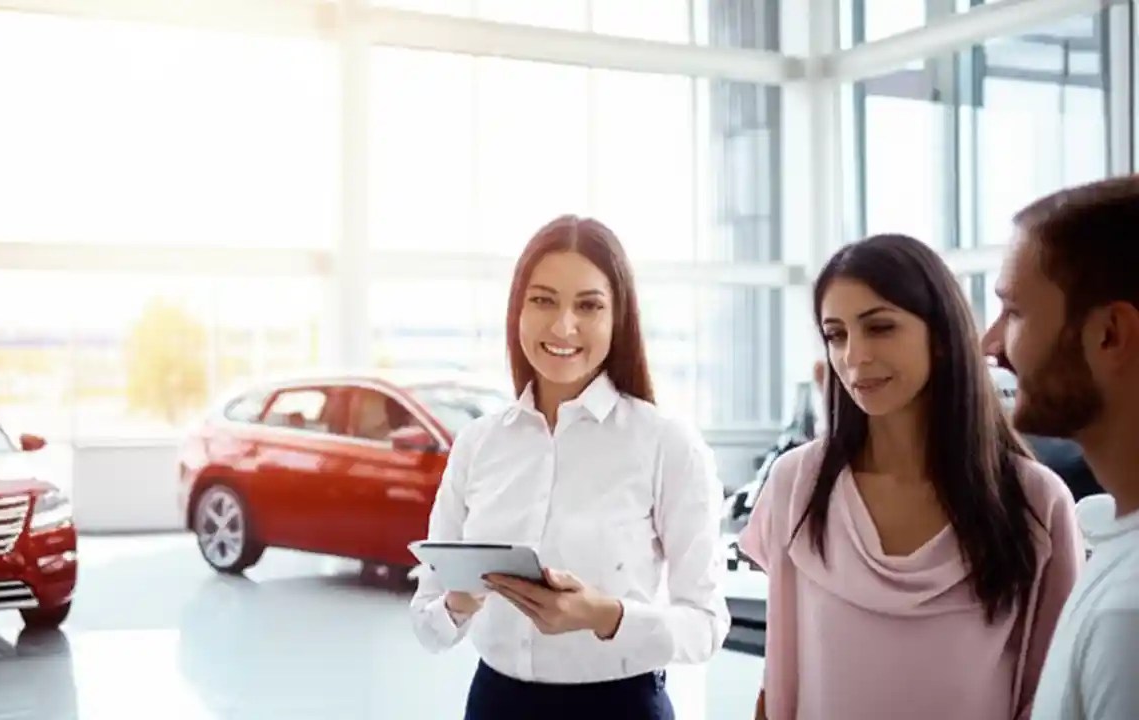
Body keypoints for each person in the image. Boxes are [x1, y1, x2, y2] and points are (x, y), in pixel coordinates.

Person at [740, 233, 1083, 720]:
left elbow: (1052, 694)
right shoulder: (796, 484)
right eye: (836, 334)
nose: (854, 357)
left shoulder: (1033, 500)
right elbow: (776, 682)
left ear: (941, 337)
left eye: (880, 328)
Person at [408, 214, 730, 720]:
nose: (563, 326)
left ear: (617, 318)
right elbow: (428, 626)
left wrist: (604, 615)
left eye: (588, 306)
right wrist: (461, 602)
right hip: (496, 703)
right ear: (517, 309)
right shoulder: (478, 444)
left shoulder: (666, 443)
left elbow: (707, 627)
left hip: (619, 707)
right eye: (543, 300)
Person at [981, 175, 1139, 720]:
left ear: (1110, 334)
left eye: (1015, 313)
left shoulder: (1129, 616)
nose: (990, 343)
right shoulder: (1118, 548)